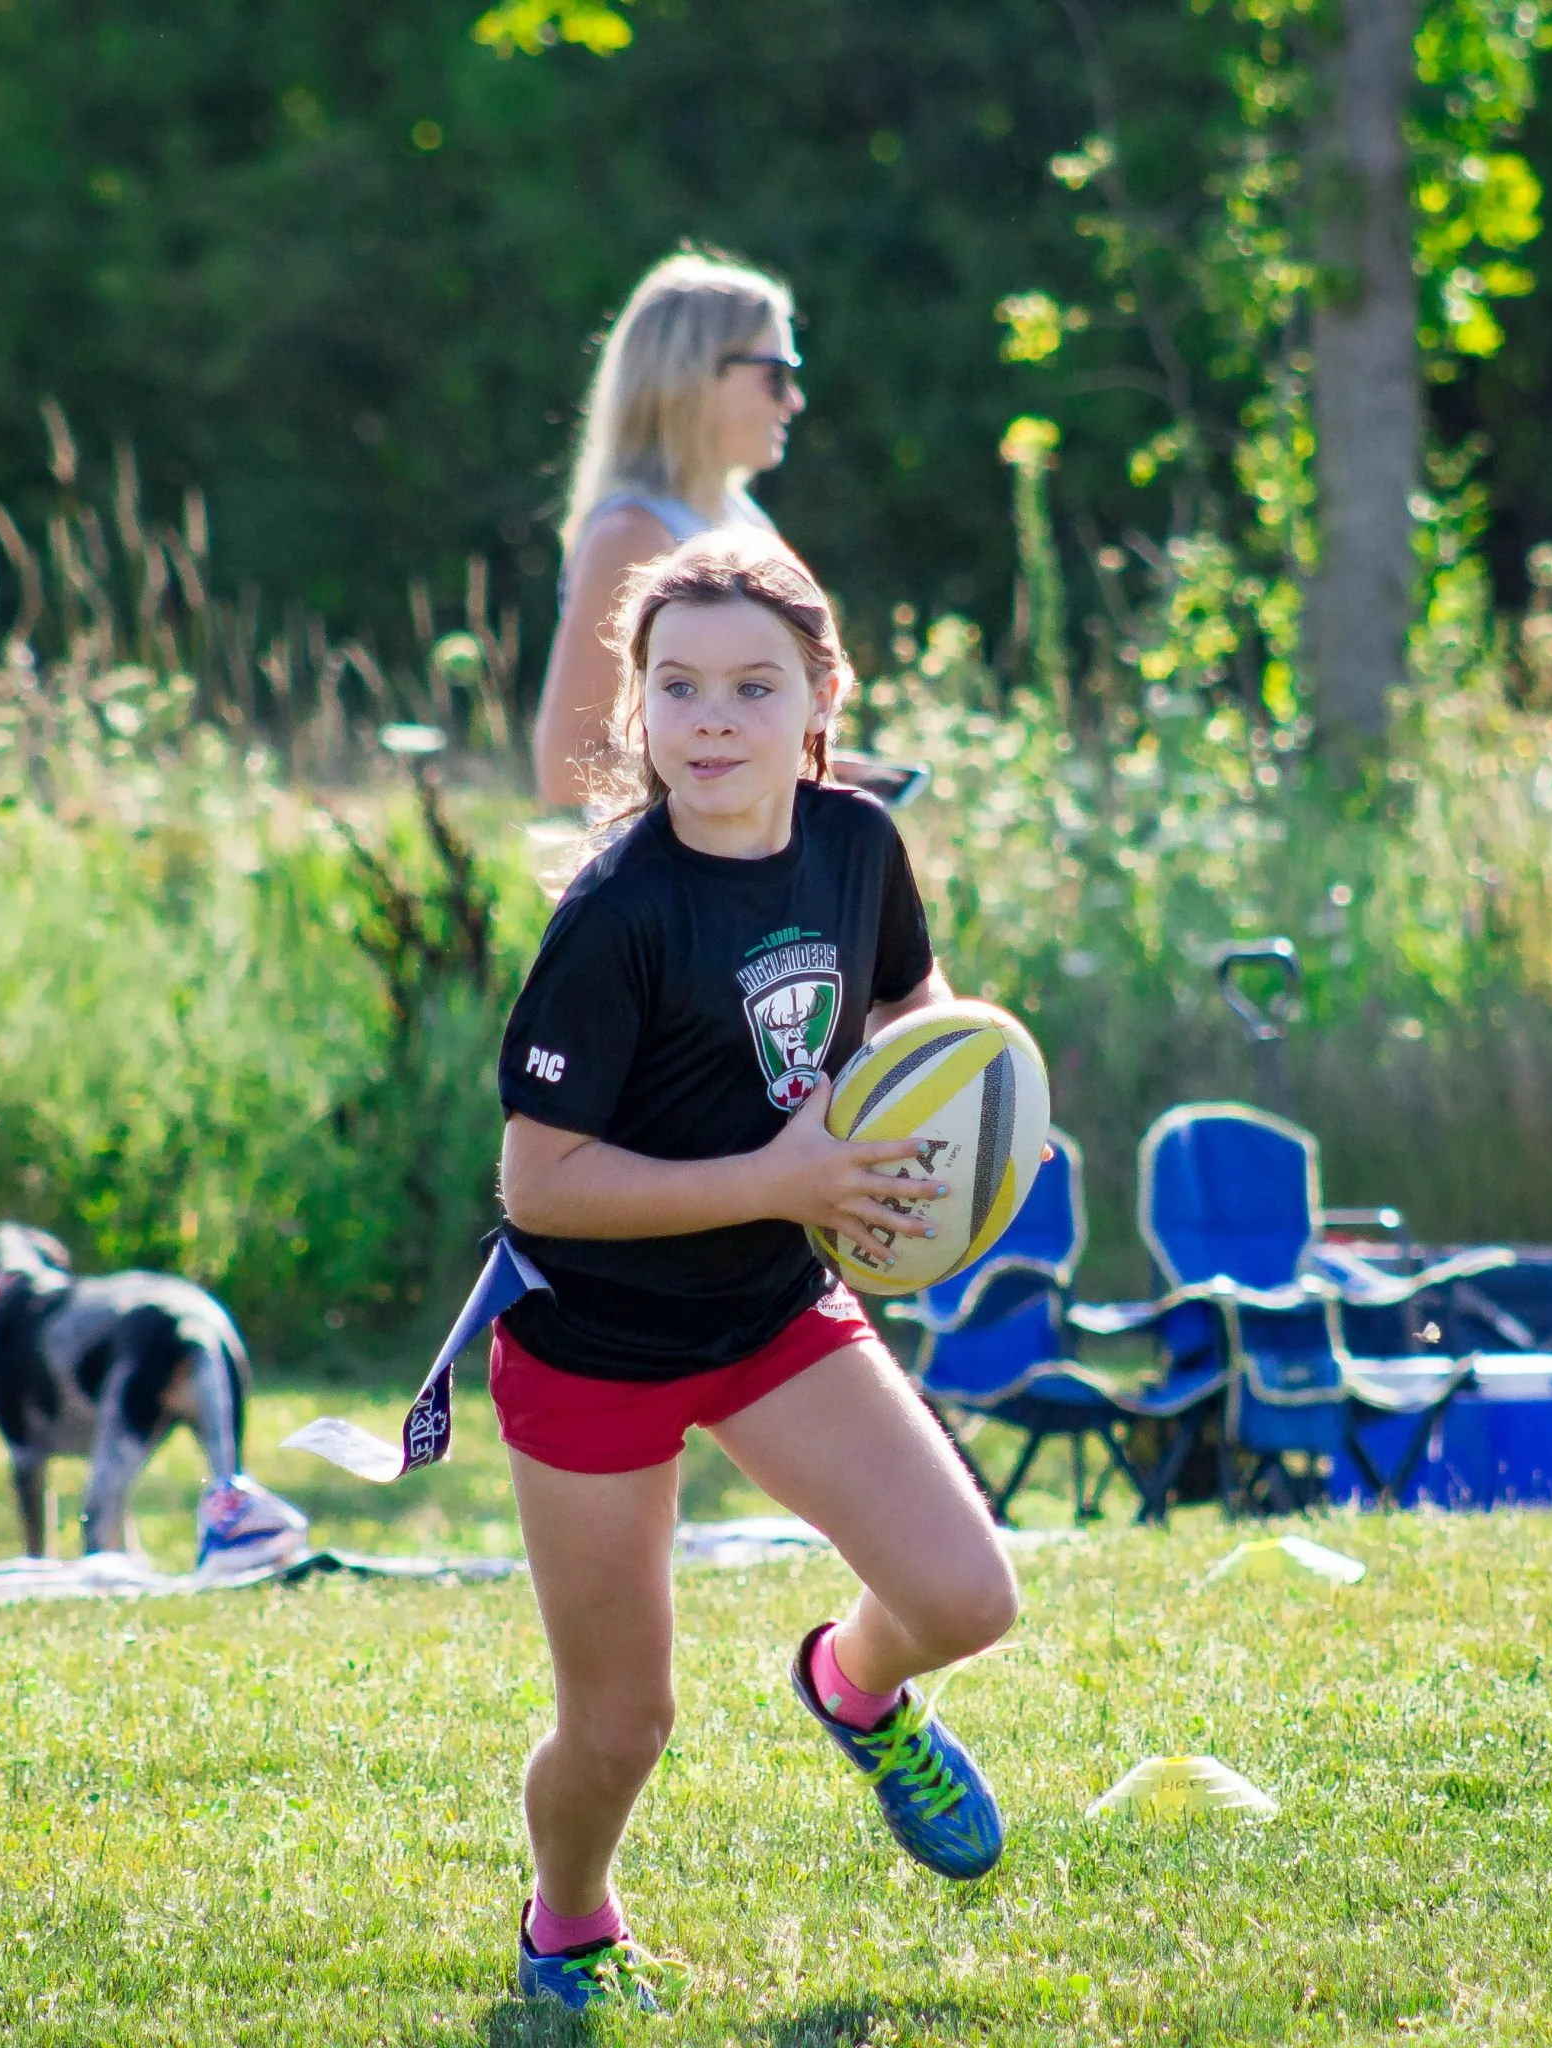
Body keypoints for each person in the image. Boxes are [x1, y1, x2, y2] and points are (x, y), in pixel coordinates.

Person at [495, 531, 1020, 2012]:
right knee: (621, 1724)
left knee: (966, 1597)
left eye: (750, 686)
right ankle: (567, 1928)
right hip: (590, 1343)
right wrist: (782, 1181)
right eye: (676, 687)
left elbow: (913, 1006)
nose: (710, 720)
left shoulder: (856, 844)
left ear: (819, 702)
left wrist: (970, 1115)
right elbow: (540, 1185)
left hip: (768, 1311)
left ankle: (853, 1685)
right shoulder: (614, 916)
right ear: (638, 708)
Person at [534, 249, 806, 808]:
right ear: (695, 376)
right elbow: (566, 770)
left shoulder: (748, 523)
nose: (793, 401)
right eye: (775, 376)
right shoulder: (631, 537)